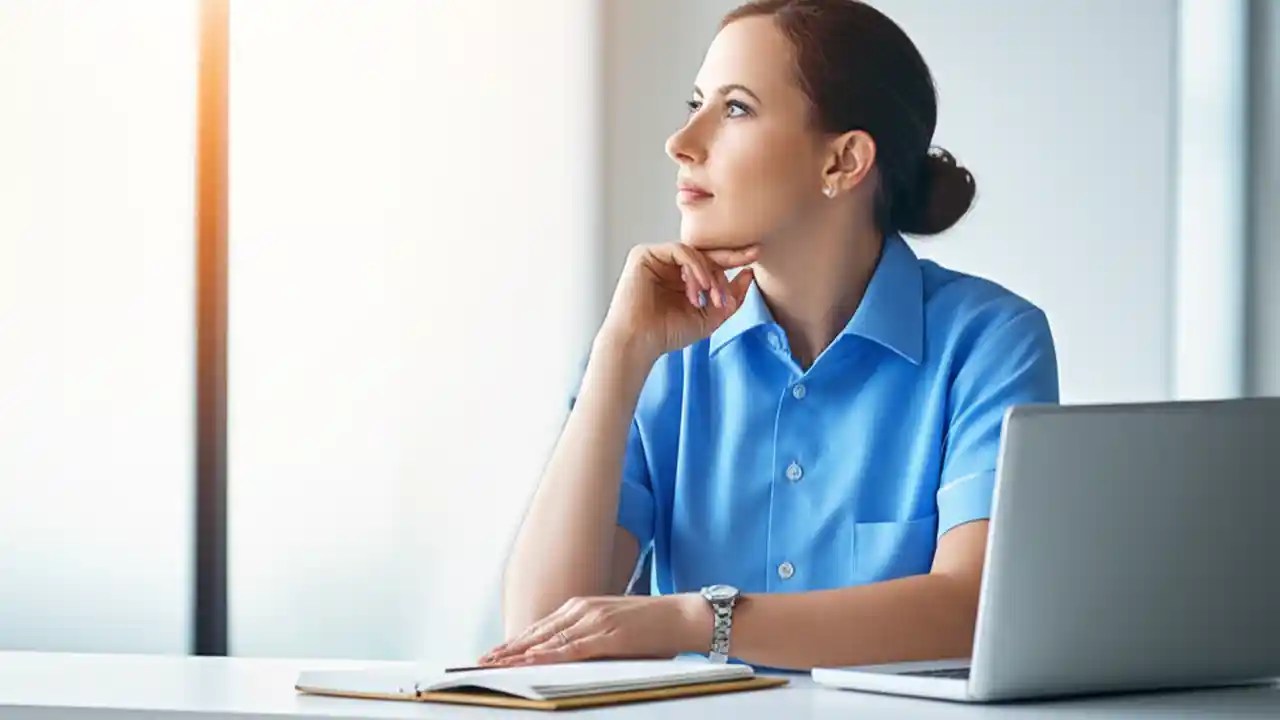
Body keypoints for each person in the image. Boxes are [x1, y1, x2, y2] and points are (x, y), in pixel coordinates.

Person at [481, 0, 1058, 671]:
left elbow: (971, 612)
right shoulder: (657, 353)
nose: (681, 141)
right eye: (695, 102)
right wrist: (618, 354)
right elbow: (539, 632)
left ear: (843, 162)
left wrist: (695, 619)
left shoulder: (990, 344)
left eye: (734, 109)